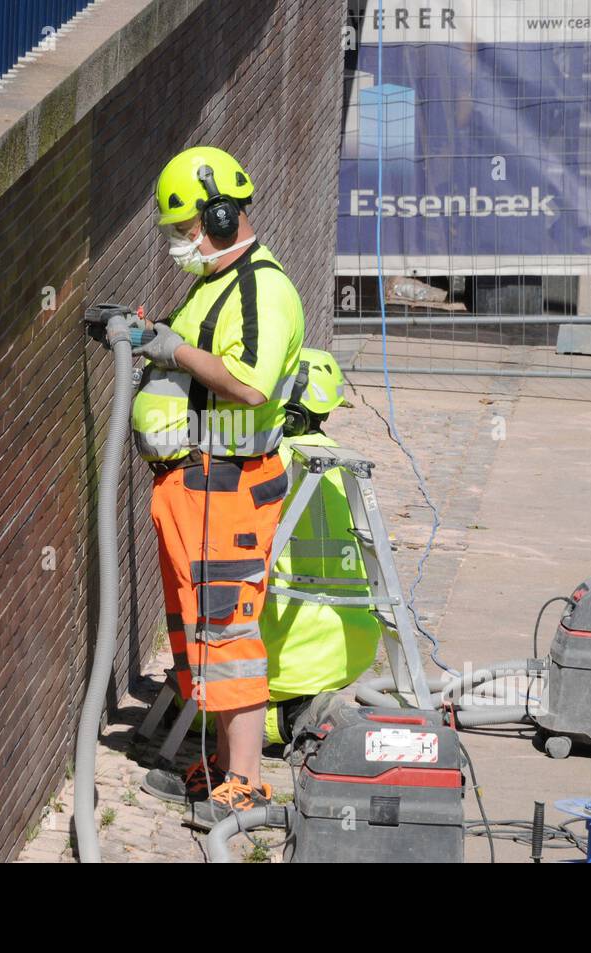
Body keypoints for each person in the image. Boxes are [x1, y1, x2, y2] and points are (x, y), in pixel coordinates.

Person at [132, 146, 303, 828]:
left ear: (224, 217)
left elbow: (250, 382)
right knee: (200, 631)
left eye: (185, 229)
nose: (180, 244)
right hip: (196, 484)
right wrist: (156, 335)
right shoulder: (216, 282)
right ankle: (221, 767)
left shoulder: (263, 290)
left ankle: (250, 784)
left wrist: (169, 348)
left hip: (229, 486)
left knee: (229, 630)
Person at [259, 348, 383, 747]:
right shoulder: (345, 467)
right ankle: (305, 710)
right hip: (352, 648)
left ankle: (295, 717)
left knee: (206, 711)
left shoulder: (271, 462)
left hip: (288, 654)